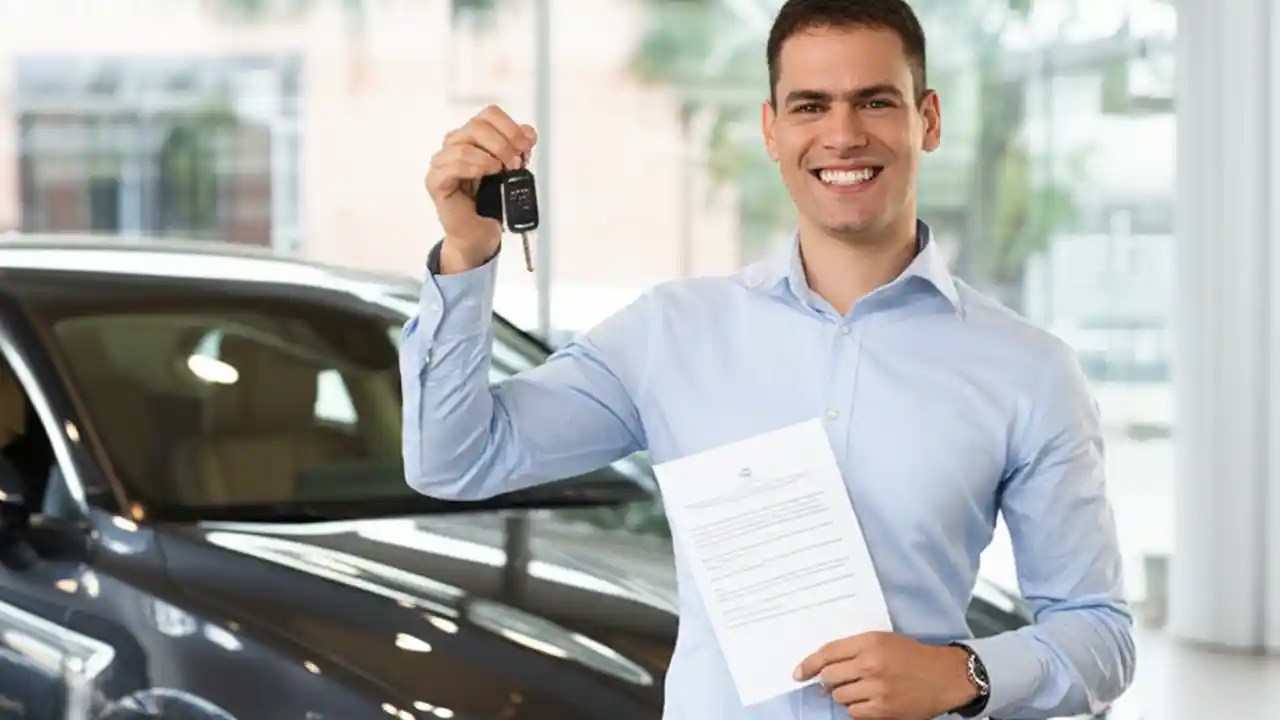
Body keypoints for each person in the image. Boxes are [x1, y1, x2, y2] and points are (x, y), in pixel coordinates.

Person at [400, 0, 1136, 717]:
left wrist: (963, 673)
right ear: (771, 128)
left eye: (875, 102)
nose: (842, 135)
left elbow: (1099, 634)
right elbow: (455, 461)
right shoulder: (671, 334)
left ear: (929, 120)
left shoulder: (1029, 371)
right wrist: (468, 253)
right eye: (811, 105)